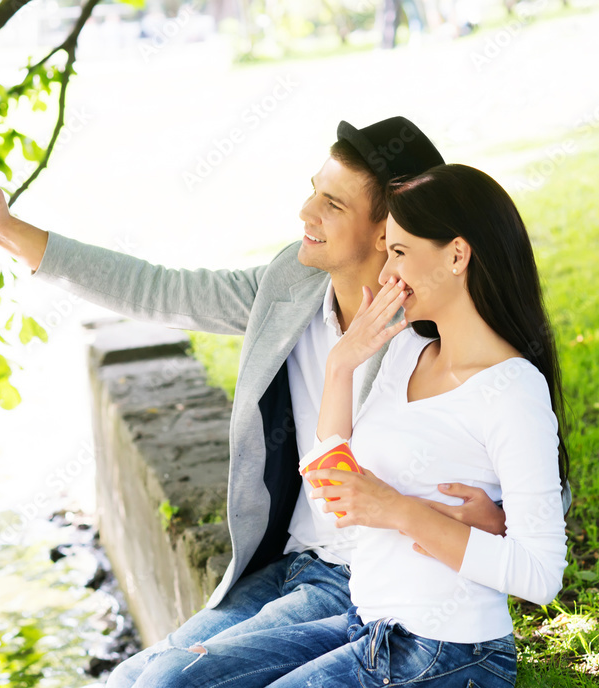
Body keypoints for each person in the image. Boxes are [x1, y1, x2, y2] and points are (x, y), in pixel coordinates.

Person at [0, 120, 537, 686]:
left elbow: (519, 427)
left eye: (332, 203)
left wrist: (501, 514)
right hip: (291, 563)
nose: (305, 211)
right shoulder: (290, 283)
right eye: (313, 190)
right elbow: (162, 290)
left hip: (369, 588)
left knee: (165, 684)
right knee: (133, 678)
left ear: (388, 228)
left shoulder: (425, 324)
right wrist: (3, 229)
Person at [129, 163, 570, 688]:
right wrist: (340, 366)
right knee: (167, 681)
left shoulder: (512, 389)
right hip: (368, 626)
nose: (386, 274)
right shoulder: (406, 355)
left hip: (454, 653)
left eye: (401, 254)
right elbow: (331, 505)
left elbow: (540, 574)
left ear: (456, 255)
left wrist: (401, 511)